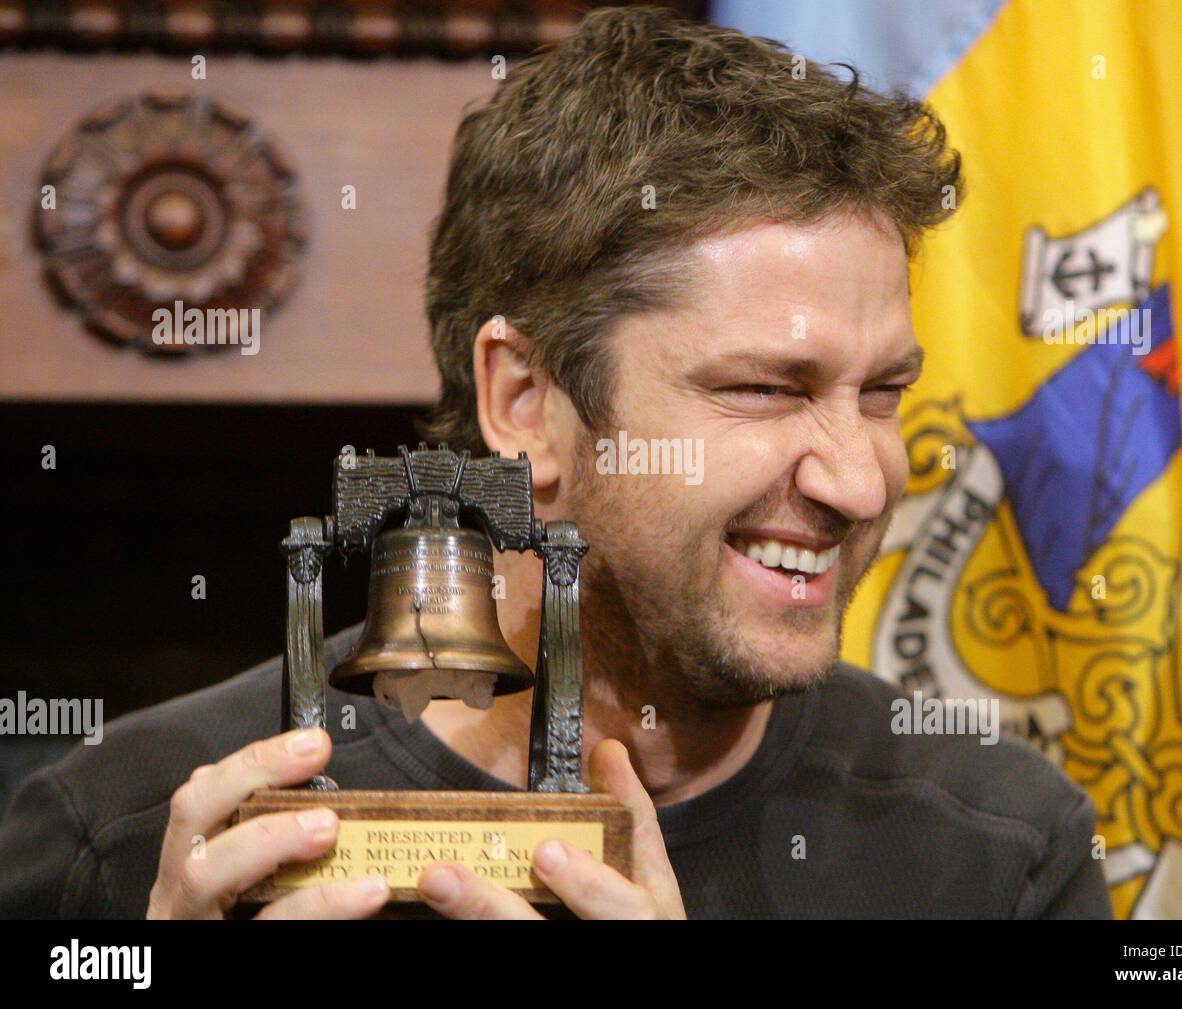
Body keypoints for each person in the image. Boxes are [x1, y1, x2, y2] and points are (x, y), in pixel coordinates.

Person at [0, 5, 1112, 920]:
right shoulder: (127, 836)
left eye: (881, 394)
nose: (859, 483)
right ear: (524, 403)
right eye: (764, 390)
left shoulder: (1002, 852)